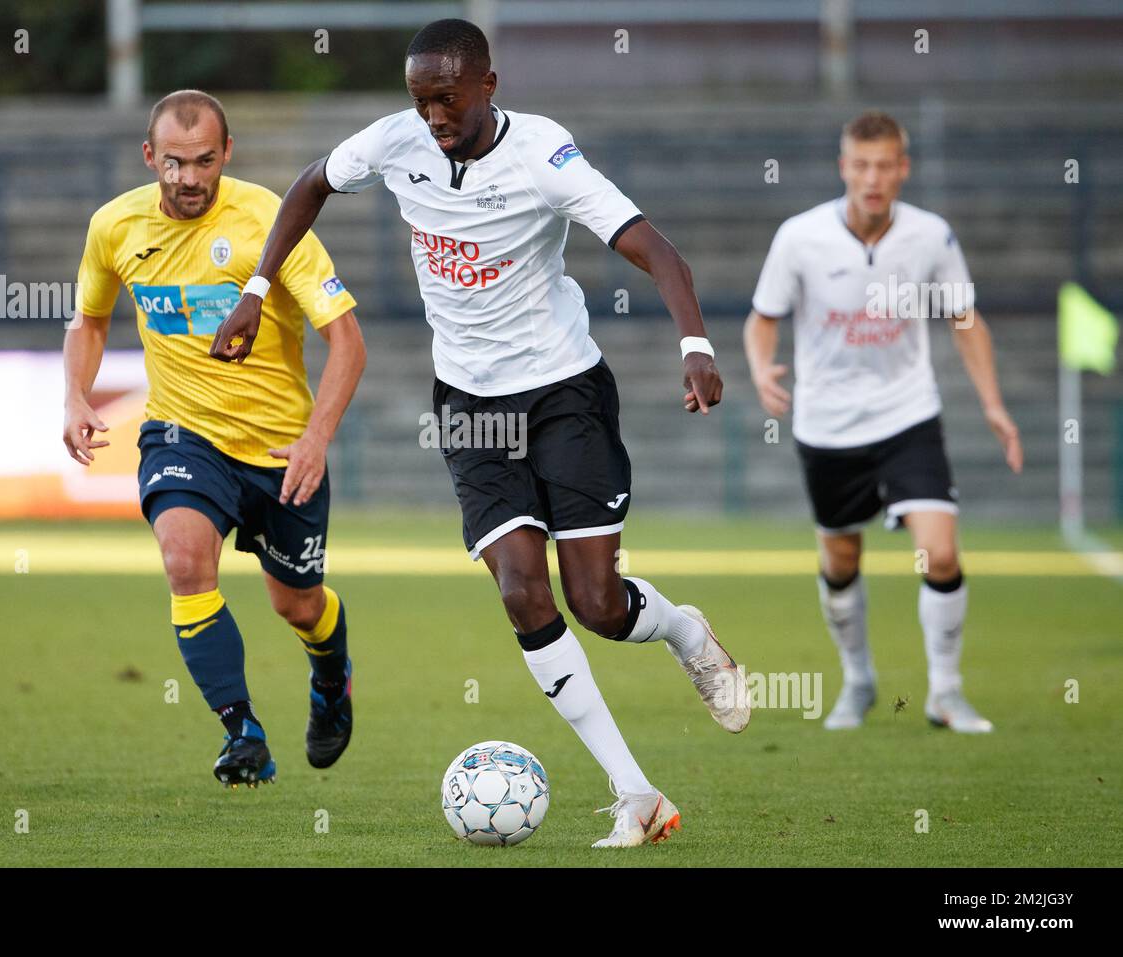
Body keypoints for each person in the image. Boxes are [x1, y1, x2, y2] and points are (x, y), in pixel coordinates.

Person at [210, 20, 750, 848]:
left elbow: (660, 252)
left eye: (447, 99)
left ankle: (684, 630)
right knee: (520, 591)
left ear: (488, 86)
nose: (432, 116)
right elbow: (311, 185)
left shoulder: (543, 154)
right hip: (471, 406)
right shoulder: (397, 142)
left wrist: (697, 345)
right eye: (421, 99)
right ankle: (637, 794)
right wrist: (255, 285)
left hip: (566, 394)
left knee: (598, 604)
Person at [62, 89, 366, 786]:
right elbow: (90, 318)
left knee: (298, 603)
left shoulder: (271, 221)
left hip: (281, 449)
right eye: (173, 162)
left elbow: (347, 341)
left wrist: (318, 436)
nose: (189, 178)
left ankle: (330, 670)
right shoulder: (114, 227)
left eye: (203, 161)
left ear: (226, 154)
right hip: (182, 435)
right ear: (149, 157)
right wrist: (76, 392)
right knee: (183, 560)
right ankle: (243, 732)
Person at [743, 110, 1023, 734]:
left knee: (940, 554)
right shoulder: (800, 237)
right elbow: (763, 316)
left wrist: (995, 407)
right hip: (828, 426)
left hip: (907, 416)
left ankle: (945, 693)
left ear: (903, 169)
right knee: (842, 562)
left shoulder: (931, 236)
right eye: (861, 165)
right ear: (845, 167)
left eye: (885, 166)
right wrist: (761, 370)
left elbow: (965, 320)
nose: (873, 178)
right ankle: (859, 679)